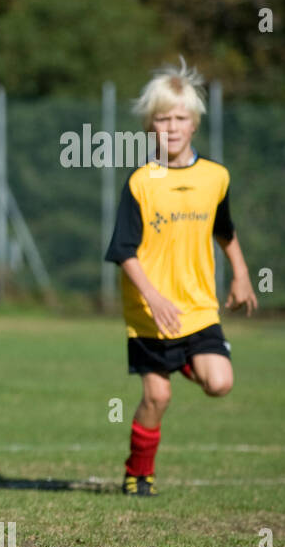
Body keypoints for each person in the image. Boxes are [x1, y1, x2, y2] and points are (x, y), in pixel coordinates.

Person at [104, 59, 258, 496]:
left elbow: (223, 229)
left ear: (194, 124)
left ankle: (188, 360)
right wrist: (152, 296)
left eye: (179, 119)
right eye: (161, 119)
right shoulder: (140, 182)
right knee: (158, 398)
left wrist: (241, 274)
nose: (170, 127)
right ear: (149, 126)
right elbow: (123, 251)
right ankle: (138, 473)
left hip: (197, 308)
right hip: (149, 312)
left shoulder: (216, 177)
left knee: (220, 383)